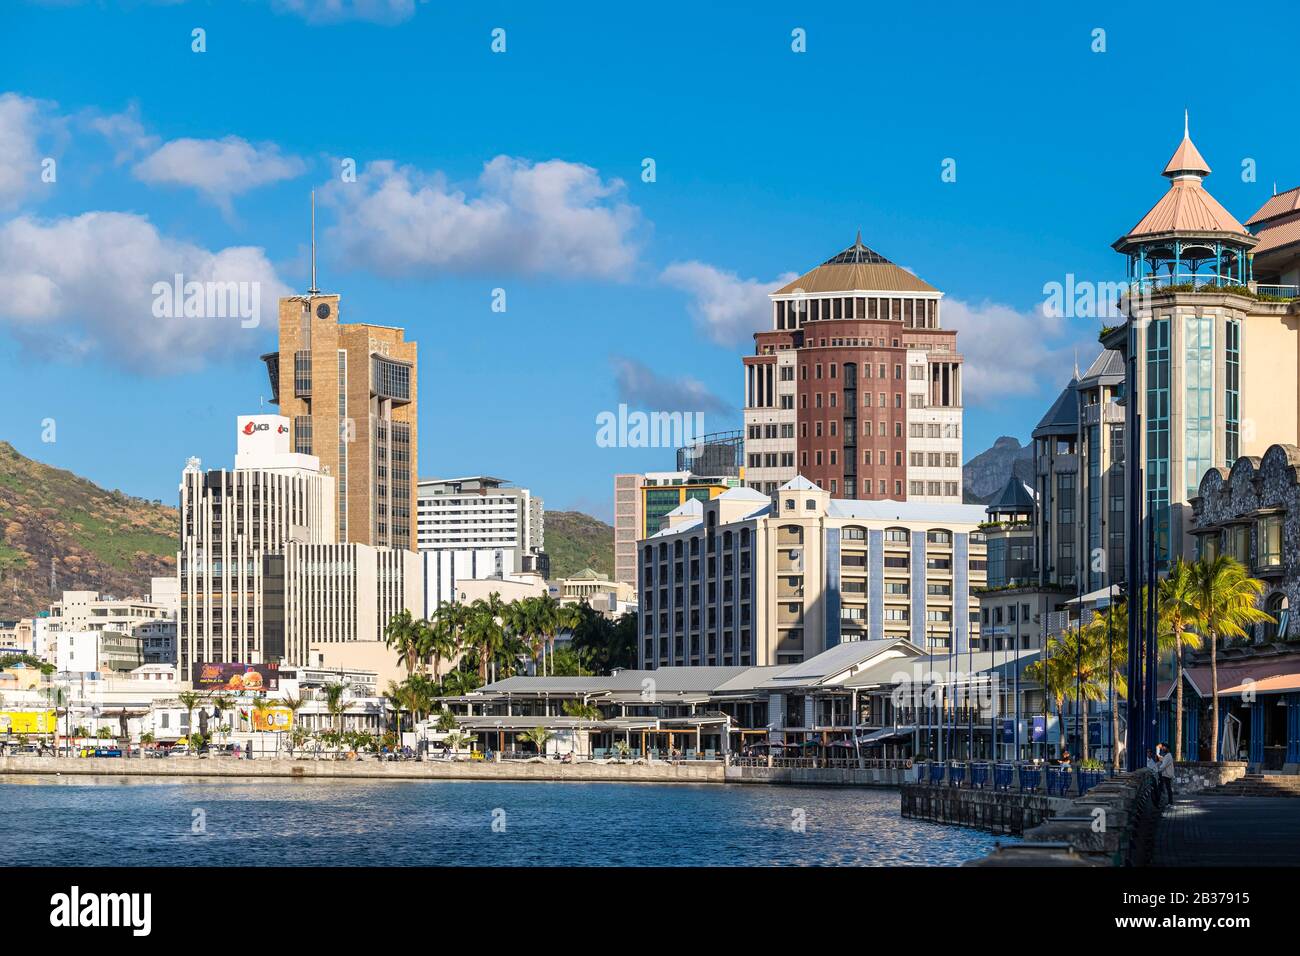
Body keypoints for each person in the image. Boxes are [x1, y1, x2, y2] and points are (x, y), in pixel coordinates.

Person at [1156, 742, 1175, 807]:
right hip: (1166, 774)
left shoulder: (1168, 756)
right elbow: (1162, 761)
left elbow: (1163, 765)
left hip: (1167, 775)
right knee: (1166, 788)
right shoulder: (1167, 756)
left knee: (1166, 788)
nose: (1163, 748)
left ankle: (1169, 802)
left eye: (1164, 747)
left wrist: (1158, 770)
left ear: (1167, 748)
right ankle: (1168, 802)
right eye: (1163, 747)